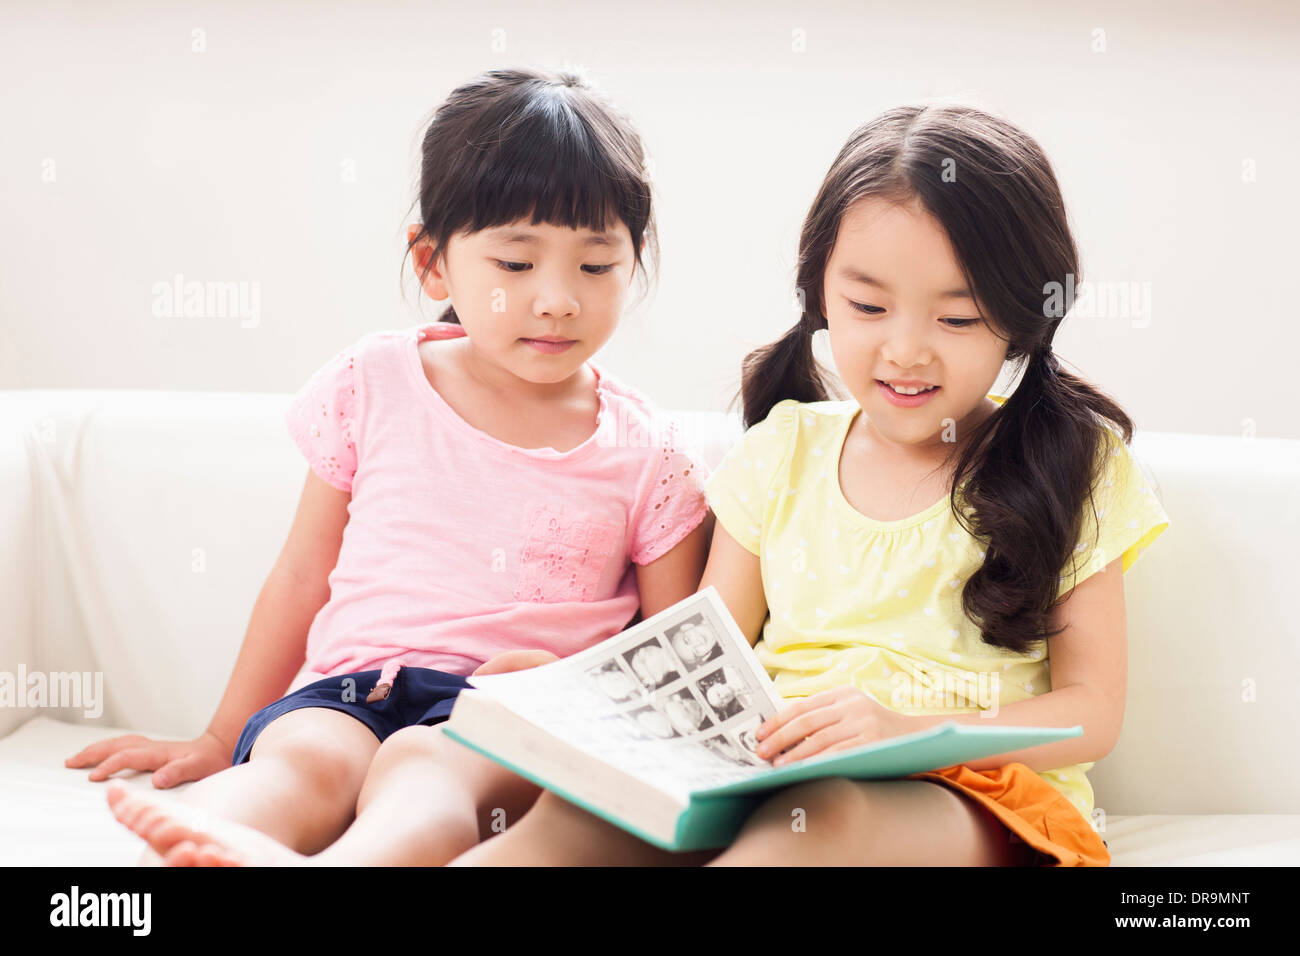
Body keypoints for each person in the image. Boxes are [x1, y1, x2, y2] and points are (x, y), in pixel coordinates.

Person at [444, 102, 1171, 867]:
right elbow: (704, 658)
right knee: (577, 817)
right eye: (867, 307)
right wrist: (577, 691)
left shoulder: (1073, 462)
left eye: (957, 319)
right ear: (820, 293)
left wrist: (905, 729)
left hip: (981, 792)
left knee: (830, 814)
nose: (905, 350)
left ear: (1022, 318)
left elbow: (1092, 712)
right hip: (773, 769)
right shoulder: (782, 451)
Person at [66, 66, 714, 866]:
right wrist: (218, 734)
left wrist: (560, 689)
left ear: (634, 262)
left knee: (426, 772)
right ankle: (210, 843)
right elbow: (304, 574)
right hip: (353, 687)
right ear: (433, 264)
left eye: (594, 265)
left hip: (505, 716)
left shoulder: (652, 452)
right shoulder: (372, 383)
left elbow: (670, 652)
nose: (556, 299)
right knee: (302, 759)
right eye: (516, 264)